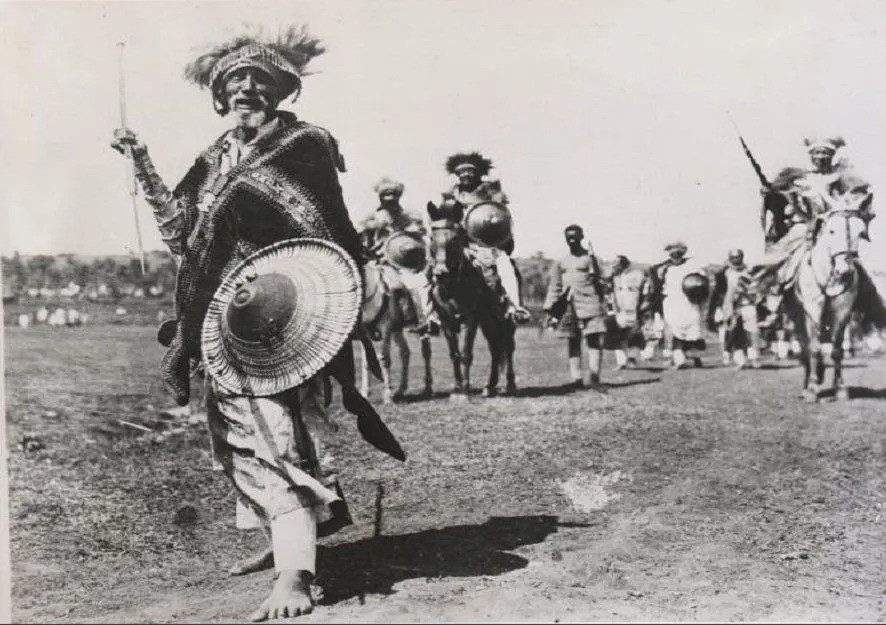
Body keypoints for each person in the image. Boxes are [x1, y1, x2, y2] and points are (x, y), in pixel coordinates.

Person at [110, 26, 400, 622]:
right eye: (234, 82)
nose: (246, 89)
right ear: (219, 96)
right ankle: (289, 538)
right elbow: (182, 235)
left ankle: (295, 575)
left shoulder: (305, 144)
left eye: (259, 80)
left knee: (279, 434)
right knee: (237, 433)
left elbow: (327, 228)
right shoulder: (214, 158)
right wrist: (140, 161)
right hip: (228, 317)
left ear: (280, 91)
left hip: (295, 310)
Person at [754, 136, 886, 331]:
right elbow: (779, 198)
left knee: (855, 263)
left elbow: (860, 201)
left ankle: (872, 308)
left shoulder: (843, 178)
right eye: (817, 153)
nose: (821, 157)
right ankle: (772, 306)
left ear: (831, 156)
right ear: (811, 156)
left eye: (825, 153)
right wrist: (769, 193)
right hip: (804, 226)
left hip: (835, 225)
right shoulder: (798, 177)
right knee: (775, 262)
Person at [440, 151, 530, 321]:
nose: (466, 174)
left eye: (470, 171)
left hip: (487, 245)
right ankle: (433, 314)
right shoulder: (451, 195)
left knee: (505, 266)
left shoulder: (489, 191)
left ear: (478, 173)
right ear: (456, 175)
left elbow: (499, 213)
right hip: (461, 244)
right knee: (438, 271)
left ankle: (515, 306)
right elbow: (444, 220)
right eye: (461, 172)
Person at [357, 177, 434, 330]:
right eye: (386, 195)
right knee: (391, 286)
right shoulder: (372, 218)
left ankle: (424, 320)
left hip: (406, 264)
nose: (390, 198)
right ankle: (365, 321)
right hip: (380, 263)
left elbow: (420, 240)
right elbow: (362, 242)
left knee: (421, 284)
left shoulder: (410, 217)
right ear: (380, 197)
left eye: (393, 194)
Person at [543, 225, 608, 390]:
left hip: (590, 303)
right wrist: (550, 306)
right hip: (569, 305)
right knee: (573, 341)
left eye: (575, 237)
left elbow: (604, 279)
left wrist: (596, 270)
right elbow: (555, 285)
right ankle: (576, 378)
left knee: (593, 340)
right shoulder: (561, 261)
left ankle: (594, 378)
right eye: (568, 237)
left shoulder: (591, 259)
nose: (571, 240)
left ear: (581, 237)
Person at [654, 241, 710, 369]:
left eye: (678, 252)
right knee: (674, 330)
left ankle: (696, 357)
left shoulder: (692, 266)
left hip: (690, 301)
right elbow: (658, 286)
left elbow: (701, 283)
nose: (675, 255)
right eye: (672, 252)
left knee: (693, 331)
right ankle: (679, 360)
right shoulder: (664, 268)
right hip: (672, 302)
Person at [709, 249, 761, 369]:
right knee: (734, 332)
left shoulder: (749, 272)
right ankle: (739, 359)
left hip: (747, 304)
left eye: (738, 257)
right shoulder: (724, 273)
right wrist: (719, 307)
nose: (736, 260)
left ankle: (754, 358)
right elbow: (719, 292)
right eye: (733, 257)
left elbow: (756, 288)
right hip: (730, 306)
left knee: (752, 331)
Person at [606, 254, 650, 370]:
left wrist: (645, 303)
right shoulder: (615, 277)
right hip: (619, 309)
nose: (615, 266)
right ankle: (621, 362)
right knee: (618, 335)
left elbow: (646, 289)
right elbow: (609, 291)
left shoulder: (638, 275)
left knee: (633, 334)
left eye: (617, 264)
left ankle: (632, 359)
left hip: (634, 308)